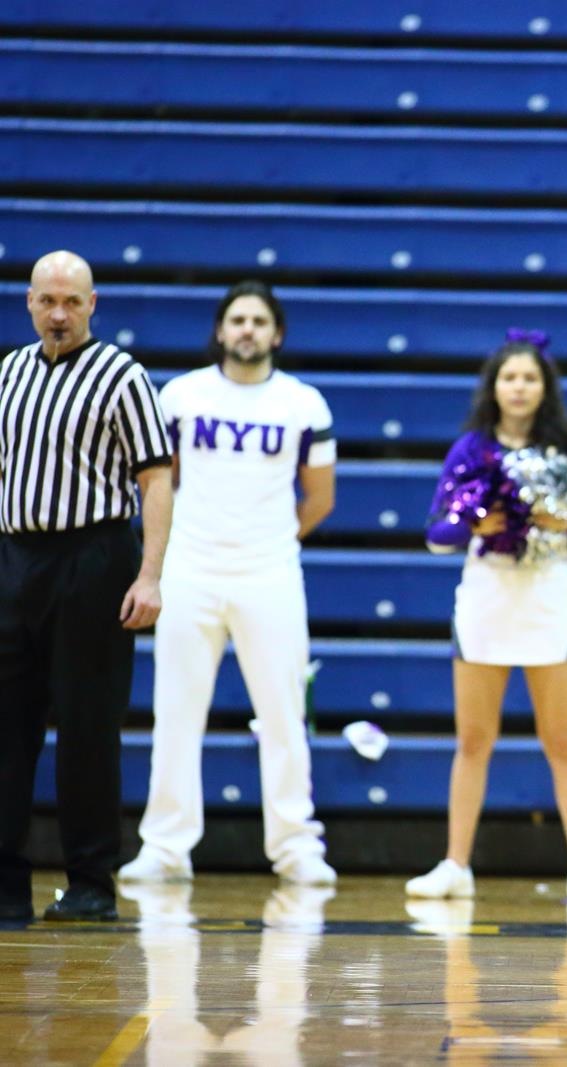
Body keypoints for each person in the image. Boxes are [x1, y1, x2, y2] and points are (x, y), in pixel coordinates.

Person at [119, 280, 338, 887]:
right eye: (238, 319)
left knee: (283, 713)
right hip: (189, 568)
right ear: (220, 329)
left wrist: (272, 541)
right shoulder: (181, 396)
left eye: (259, 321)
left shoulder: (304, 404)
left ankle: (295, 846)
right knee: (175, 711)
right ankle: (165, 847)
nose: (247, 329)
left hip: (270, 572)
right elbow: (161, 484)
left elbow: (320, 498)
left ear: (277, 333)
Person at [0, 251, 172, 922]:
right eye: (47, 300)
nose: (59, 314)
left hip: (94, 557)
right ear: (29, 302)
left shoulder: (123, 376)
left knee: (87, 726)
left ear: (92, 304)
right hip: (15, 557)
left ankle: (92, 882)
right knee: (7, 727)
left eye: (72, 301)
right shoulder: (9, 372)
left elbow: (156, 479)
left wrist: (149, 575)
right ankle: (6, 884)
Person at [408, 332, 567, 903]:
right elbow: (436, 532)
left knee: (562, 739)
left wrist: (562, 521)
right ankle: (455, 865)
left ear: (545, 388)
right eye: (509, 377)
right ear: (493, 387)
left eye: (529, 378)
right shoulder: (470, 449)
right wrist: (475, 524)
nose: (519, 387)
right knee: (473, 740)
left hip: (548, 597)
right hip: (487, 598)